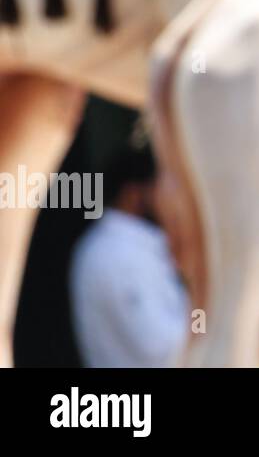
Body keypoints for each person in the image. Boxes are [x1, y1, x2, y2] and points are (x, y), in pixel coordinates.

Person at [69, 139, 190, 367]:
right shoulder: (116, 254)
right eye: (167, 187)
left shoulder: (138, 250)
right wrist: (203, 306)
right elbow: (161, 347)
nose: (177, 200)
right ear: (133, 193)